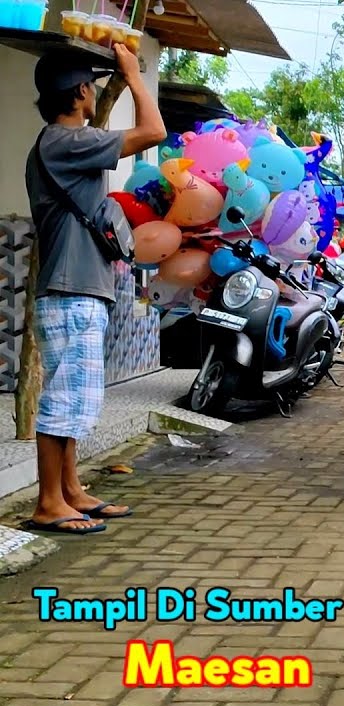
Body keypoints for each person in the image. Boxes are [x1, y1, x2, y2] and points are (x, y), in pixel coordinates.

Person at [20, 46, 166, 535]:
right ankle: (47, 503)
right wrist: (133, 75)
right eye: (93, 86)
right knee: (64, 399)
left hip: (77, 289)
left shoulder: (67, 140)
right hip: (70, 290)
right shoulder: (66, 141)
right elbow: (154, 132)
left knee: (76, 396)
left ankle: (70, 491)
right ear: (81, 92)